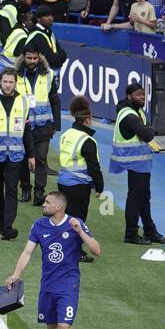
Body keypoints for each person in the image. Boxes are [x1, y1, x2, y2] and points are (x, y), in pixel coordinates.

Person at [5, 190, 101, 329]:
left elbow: (96, 250)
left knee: (64, 326)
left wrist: (80, 232)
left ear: (59, 207)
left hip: (68, 284)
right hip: (47, 285)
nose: (43, 204)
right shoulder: (39, 225)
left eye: (47, 202)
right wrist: (16, 274)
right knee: (51, 327)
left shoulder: (75, 223)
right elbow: (27, 252)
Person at [110, 81, 165, 246]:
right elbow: (148, 134)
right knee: (136, 198)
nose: (142, 97)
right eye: (138, 95)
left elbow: (145, 131)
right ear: (129, 96)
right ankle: (131, 233)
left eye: (143, 94)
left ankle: (150, 231)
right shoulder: (129, 115)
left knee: (143, 197)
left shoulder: (137, 112)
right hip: (134, 162)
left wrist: (148, 129)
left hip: (140, 163)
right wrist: (150, 129)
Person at [0, 68, 34, 241]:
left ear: (15, 83)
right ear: (0, 82)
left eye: (11, 82)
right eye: (5, 81)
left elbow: (27, 131)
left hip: (15, 155)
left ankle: (8, 227)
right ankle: (1, 222)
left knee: (11, 190)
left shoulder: (24, 102)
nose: (8, 84)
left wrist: (31, 154)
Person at [55, 96, 103, 263]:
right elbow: (93, 166)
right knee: (77, 220)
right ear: (87, 120)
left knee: (65, 217)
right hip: (79, 185)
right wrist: (99, 186)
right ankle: (75, 251)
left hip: (63, 181)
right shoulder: (87, 141)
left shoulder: (66, 134)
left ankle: (61, 246)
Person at [15, 49, 59, 205]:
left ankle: (39, 192)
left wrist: (57, 123)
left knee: (41, 158)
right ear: (23, 57)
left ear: (39, 57)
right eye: (29, 58)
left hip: (43, 125)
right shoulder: (15, 75)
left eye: (35, 57)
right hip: (22, 125)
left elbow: (54, 98)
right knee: (23, 159)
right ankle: (25, 189)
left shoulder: (48, 74)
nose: (32, 61)